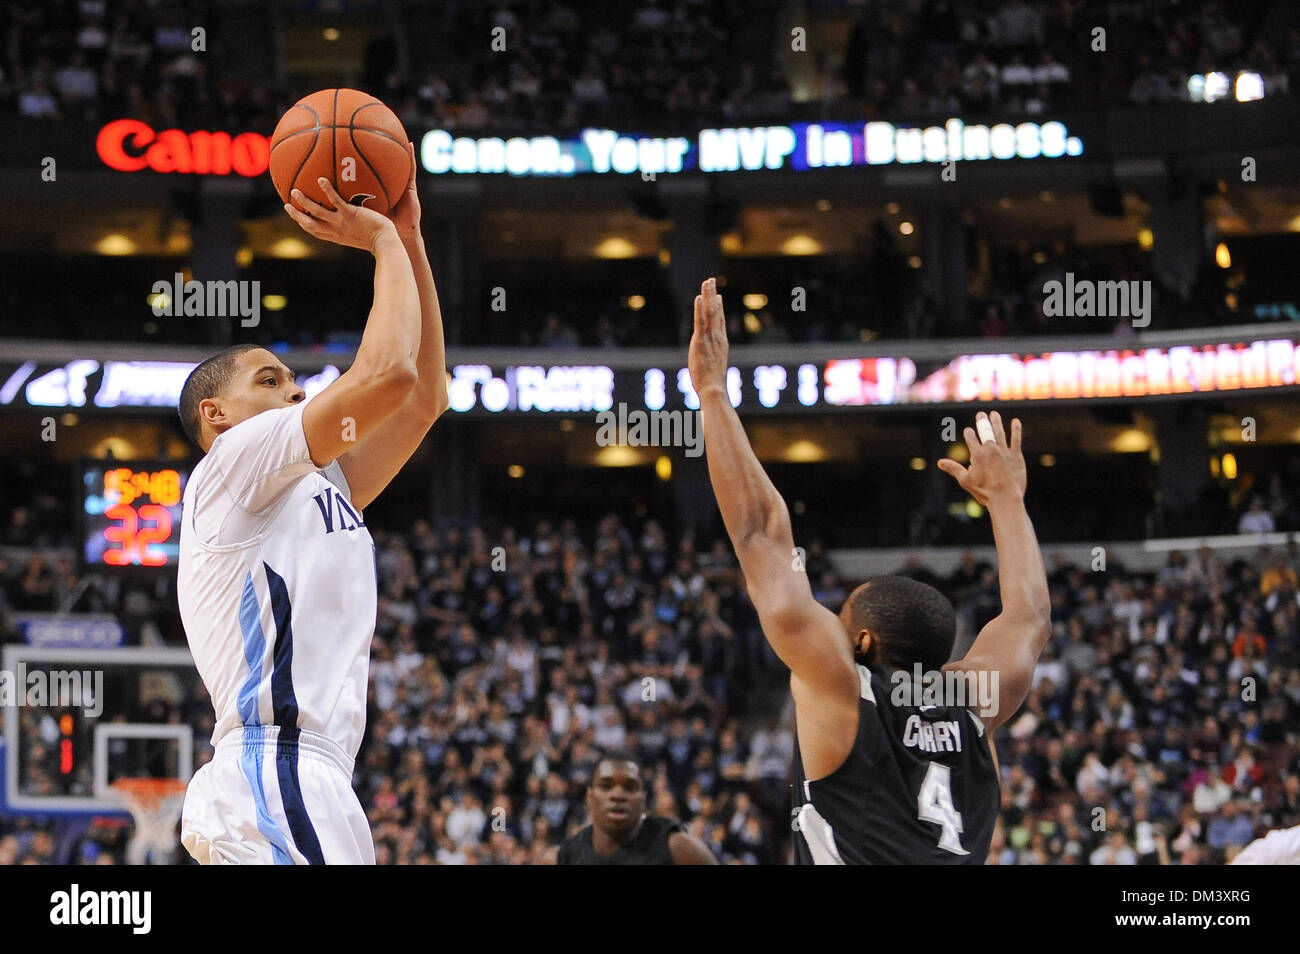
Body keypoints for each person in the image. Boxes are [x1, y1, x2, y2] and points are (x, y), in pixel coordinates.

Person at [688, 277, 1051, 863]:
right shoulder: (976, 699)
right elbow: (1029, 617)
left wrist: (711, 393)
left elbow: (759, 533)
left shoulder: (841, 685)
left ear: (862, 641)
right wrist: (1009, 501)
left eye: (840, 618)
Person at [176, 150, 449, 864]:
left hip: (313, 774)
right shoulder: (232, 465)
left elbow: (423, 399)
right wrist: (381, 244)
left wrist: (410, 239)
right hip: (274, 764)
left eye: (295, 381)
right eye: (270, 381)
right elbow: (387, 374)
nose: (295, 393)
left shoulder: (319, 482)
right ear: (218, 415)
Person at [556, 753, 718, 864]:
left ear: (643, 799)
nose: (618, 795)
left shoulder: (677, 847)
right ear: (589, 797)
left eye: (629, 787)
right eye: (606, 786)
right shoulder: (565, 856)